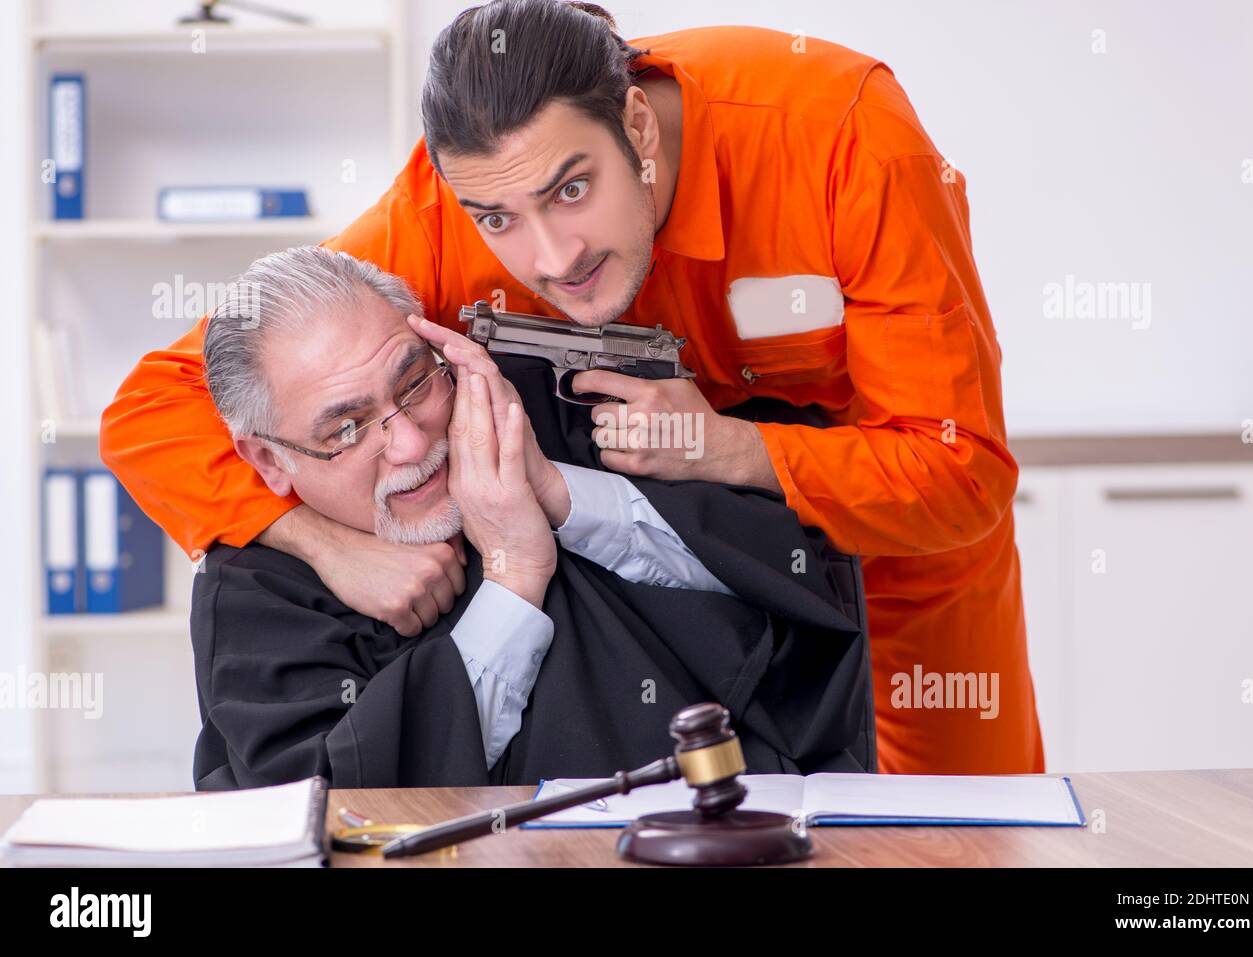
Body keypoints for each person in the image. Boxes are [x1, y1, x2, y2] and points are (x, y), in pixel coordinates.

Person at [102, 0, 1041, 774]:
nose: (552, 257)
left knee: (964, 838)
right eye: (499, 218)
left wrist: (731, 446)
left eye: (572, 189)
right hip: (685, 594)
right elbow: (155, 409)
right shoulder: (444, 210)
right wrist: (327, 547)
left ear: (635, 124)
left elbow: (957, 473)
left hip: (906, 538)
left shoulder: (844, 138)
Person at [190, 245, 870, 788]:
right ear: (269, 459)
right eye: (346, 429)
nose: (411, 442)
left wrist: (560, 496)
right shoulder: (258, 593)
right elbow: (335, 812)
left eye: (415, 382)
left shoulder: (553, 399)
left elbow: (796, 582)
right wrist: (514, 576)